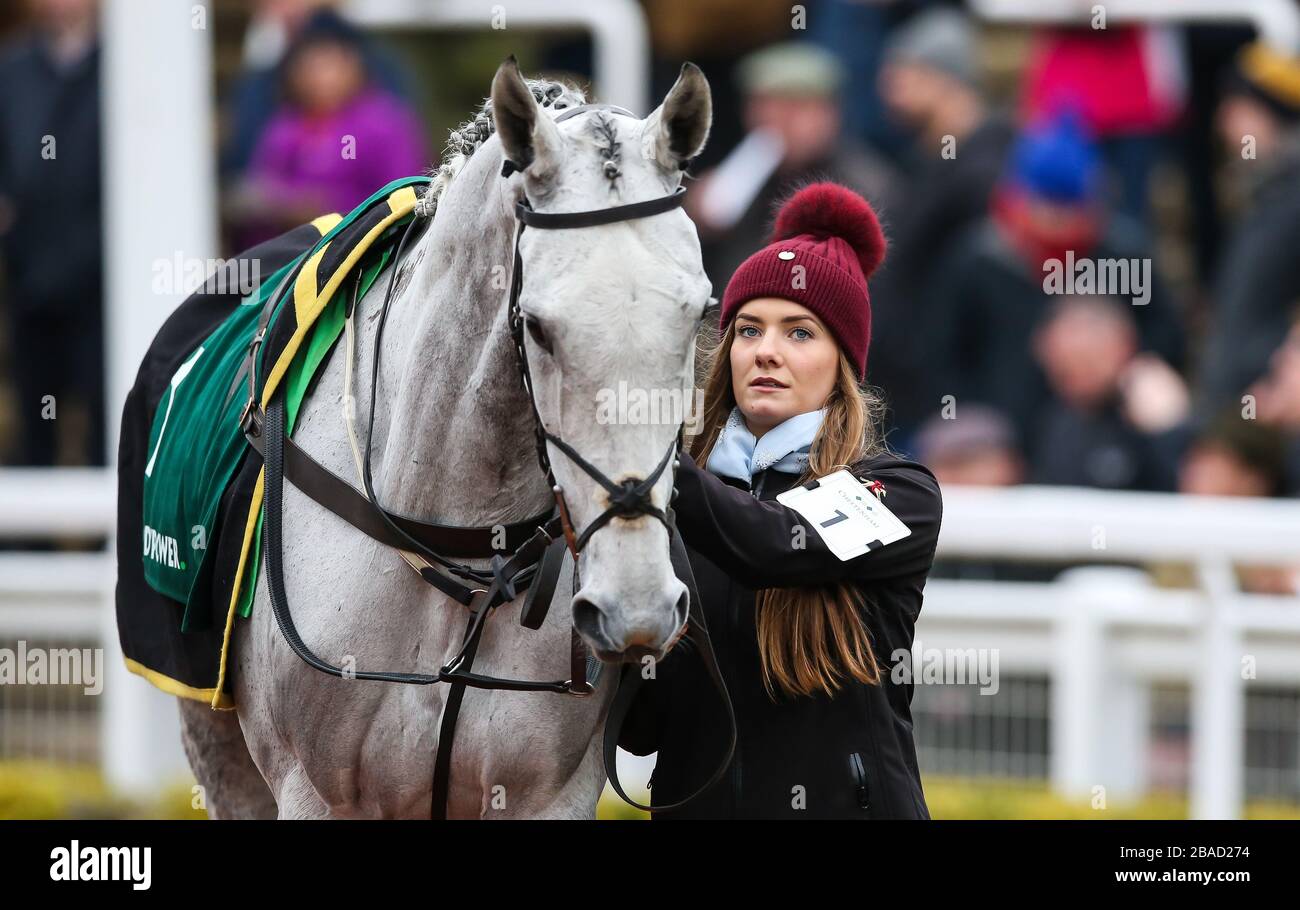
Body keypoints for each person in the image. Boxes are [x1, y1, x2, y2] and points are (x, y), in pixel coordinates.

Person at [618, 183, 943, 819]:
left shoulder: (902, 494)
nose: (766, 349)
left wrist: (643, 461)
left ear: (841, 363)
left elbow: (775, 542)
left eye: (800, 332)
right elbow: (642, 729)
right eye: (748, 329)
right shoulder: (669, 501)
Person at [225, 8, 430, 248]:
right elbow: (260, 194)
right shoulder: (284, 128)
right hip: (293, 261)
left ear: (354, 65)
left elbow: (406, 198)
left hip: (369, 257)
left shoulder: (384, 125)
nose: (320, 77)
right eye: (310, 65)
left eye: (329, 64)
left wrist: (325, 207)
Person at [0, 0, 104, 468]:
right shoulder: (13, 71)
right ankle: (38, 540)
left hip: (105, 277)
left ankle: (113, 536)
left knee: (111, 416)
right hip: (31, 273)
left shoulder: (128, 69)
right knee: (34, 418)